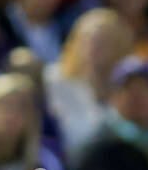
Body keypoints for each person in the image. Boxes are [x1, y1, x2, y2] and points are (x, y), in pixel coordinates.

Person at [44, 8, 135, 159]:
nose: (94, 46)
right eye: (87, 38)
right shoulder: (54, 81)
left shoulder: (129, 83)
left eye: (104, 40)